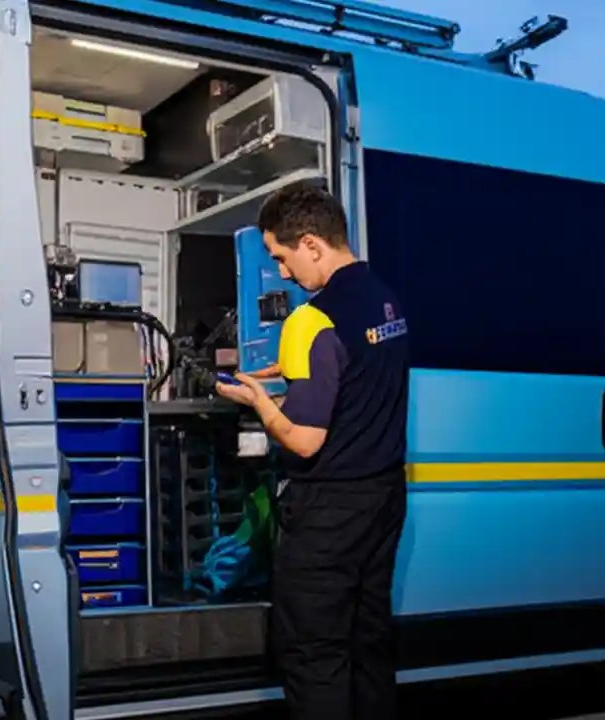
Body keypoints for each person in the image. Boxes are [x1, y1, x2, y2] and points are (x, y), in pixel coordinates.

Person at [216, 183, 410, 720]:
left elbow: (304, 438)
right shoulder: (385, 297)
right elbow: (358, 375)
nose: (281, 273)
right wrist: (291, 373)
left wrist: (258, 400)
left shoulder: (311, 320)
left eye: (281, 257)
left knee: (313, 651)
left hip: (329, 511)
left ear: (311, 244)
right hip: (383, 498)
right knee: (367, 642)